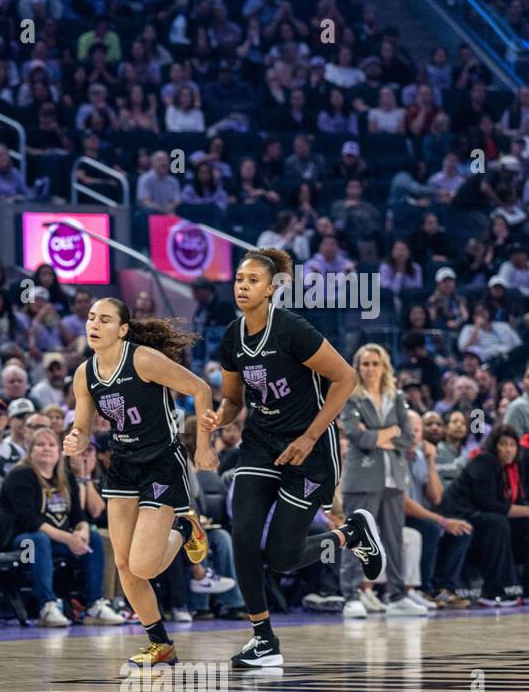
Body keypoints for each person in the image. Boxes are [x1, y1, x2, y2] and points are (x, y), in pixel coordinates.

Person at [203, 248, 384, 668]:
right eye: (239, 279)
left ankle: (352, 533)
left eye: (253, 281)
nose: (243, 286)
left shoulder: (291, 329)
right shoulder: (232, 336)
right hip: (260, 443)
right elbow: (234, 400)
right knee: (243, 536)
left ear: (271, 289)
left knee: (282, 557)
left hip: (309, 449)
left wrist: (309, 435)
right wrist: (219, 417)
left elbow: (346, 377)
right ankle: (263, 639)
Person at [65, 298, 215, 666]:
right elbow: (83, 427)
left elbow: (201, 390)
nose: (94, 324)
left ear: (123, 329)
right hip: (123, 465)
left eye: (104, 319)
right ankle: (161, 643)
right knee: (124, 564)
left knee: (144, 566)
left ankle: (184, 525)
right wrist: (76, 439)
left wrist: (203, 446)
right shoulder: (84, 374)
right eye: (91, 318)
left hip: (161, 463)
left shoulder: (143, 359)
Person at [338, 345, 428, 618]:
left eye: (375, 364)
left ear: (384, 367)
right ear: (358, 367)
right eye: (365, 364)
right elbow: (358, 437)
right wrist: (391, 432)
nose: (370, 369)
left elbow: (408, 436)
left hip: (394, 478)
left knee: (394, 539)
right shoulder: (351, 397)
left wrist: (377, 435)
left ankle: (398, 596)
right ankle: (351, 596)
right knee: (357, 538)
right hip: (362, 478)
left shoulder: (396, 397)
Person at [0, 429, 115, 627]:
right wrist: (69, 538)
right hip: (20, 544)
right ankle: (47, 606)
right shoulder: (20, 475)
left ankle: (94, 604)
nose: (47, 449)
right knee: (38, 539)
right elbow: (29, 521)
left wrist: (82, 531)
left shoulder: (65, 477)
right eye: (40, 444)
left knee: (93, 538)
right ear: (30, 450)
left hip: (55, 541)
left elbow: (78, 515)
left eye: (51, 445)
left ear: (59, 451)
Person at [440, 424, 529, 606]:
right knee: (497, 523)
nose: (508, 449)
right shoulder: (484, 462)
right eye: (503, 444)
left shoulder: (508, 468)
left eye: (512, 445)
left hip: (478, 514)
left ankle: (524, 589)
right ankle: (494, 591)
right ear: (494, 445)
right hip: (458, 513)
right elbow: (487, 503)